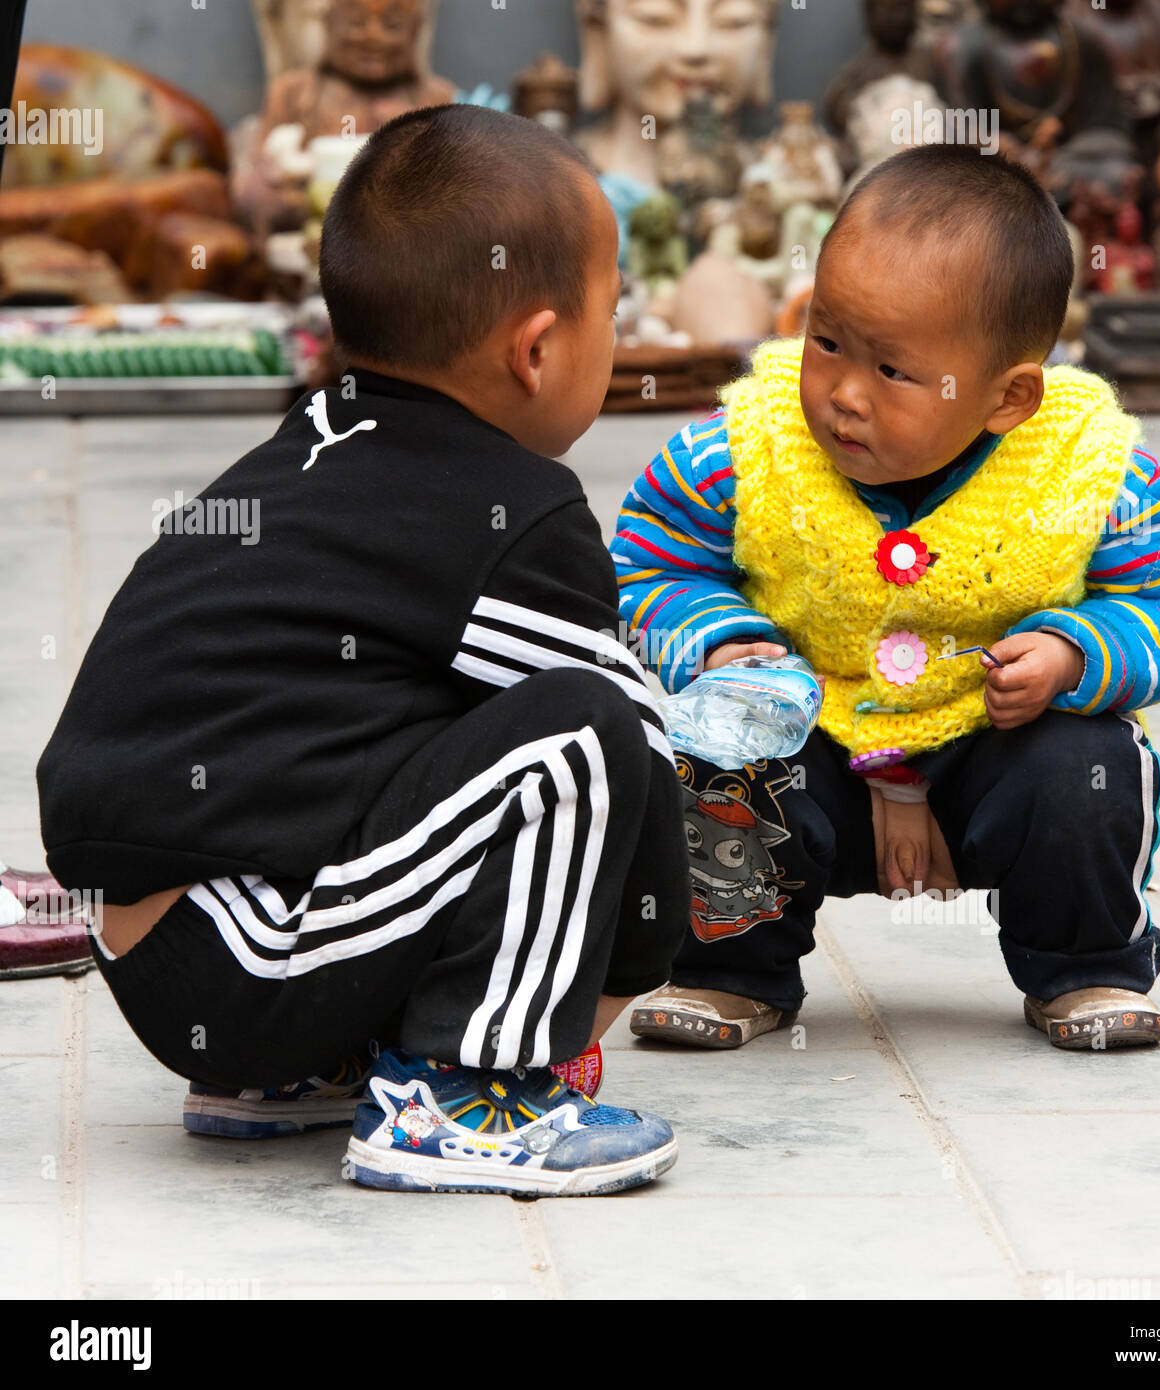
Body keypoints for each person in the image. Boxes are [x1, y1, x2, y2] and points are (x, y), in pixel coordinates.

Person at [36, 105, 689, 1197]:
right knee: (583, 730)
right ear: (535, 349)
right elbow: (636, 756)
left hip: (158, 949)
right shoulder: (514, 514)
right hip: (250, 957)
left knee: (432, 714)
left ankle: (300, 1071)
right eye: (612, 314)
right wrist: (619, 974)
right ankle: (472, 1093)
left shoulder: (307, 448)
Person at [612, 143, 1160, 1052]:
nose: (844, 396)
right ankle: (729, 969)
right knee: (711, 752)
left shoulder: (1092, 470)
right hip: (809, 746)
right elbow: (649, 564)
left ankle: (1085, 962)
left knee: (1091, 765)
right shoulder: (742, 448)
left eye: (893, 372)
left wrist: (1076, 652)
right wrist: (715, 640)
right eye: (827, 341)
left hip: (994, 754)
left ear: (1008, 397)